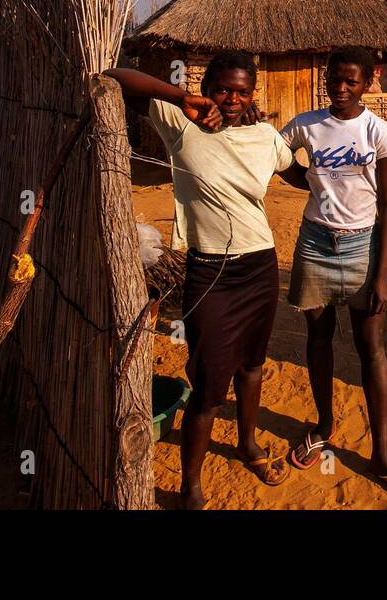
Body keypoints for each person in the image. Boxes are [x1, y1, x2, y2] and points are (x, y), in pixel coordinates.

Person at [104, 51, 292, 509]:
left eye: (242, 91)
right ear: (207, 87)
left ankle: (247, 444)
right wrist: (179, 95)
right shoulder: (180, 122)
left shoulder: (265, 136)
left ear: (252, 95)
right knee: (208, 385)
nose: (232, 98)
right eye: (223, 88)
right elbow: (114, 77)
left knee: (252, 366)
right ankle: (191, 486)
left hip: (261, 266)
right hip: (211, 272)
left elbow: (296, 169)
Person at [277, 45, 387, 497]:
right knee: (318, 338)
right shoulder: (305, 125)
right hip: (316, 242)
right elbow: (278, 158)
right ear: (326, 77)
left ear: (367, 82)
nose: (340, 88)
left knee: (370, 347)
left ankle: (380, 452)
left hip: (363, 246)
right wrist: (309, 180)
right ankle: (323, 425)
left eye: (351, 81)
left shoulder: (378, 131)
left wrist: (381, 274)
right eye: (334, 79)